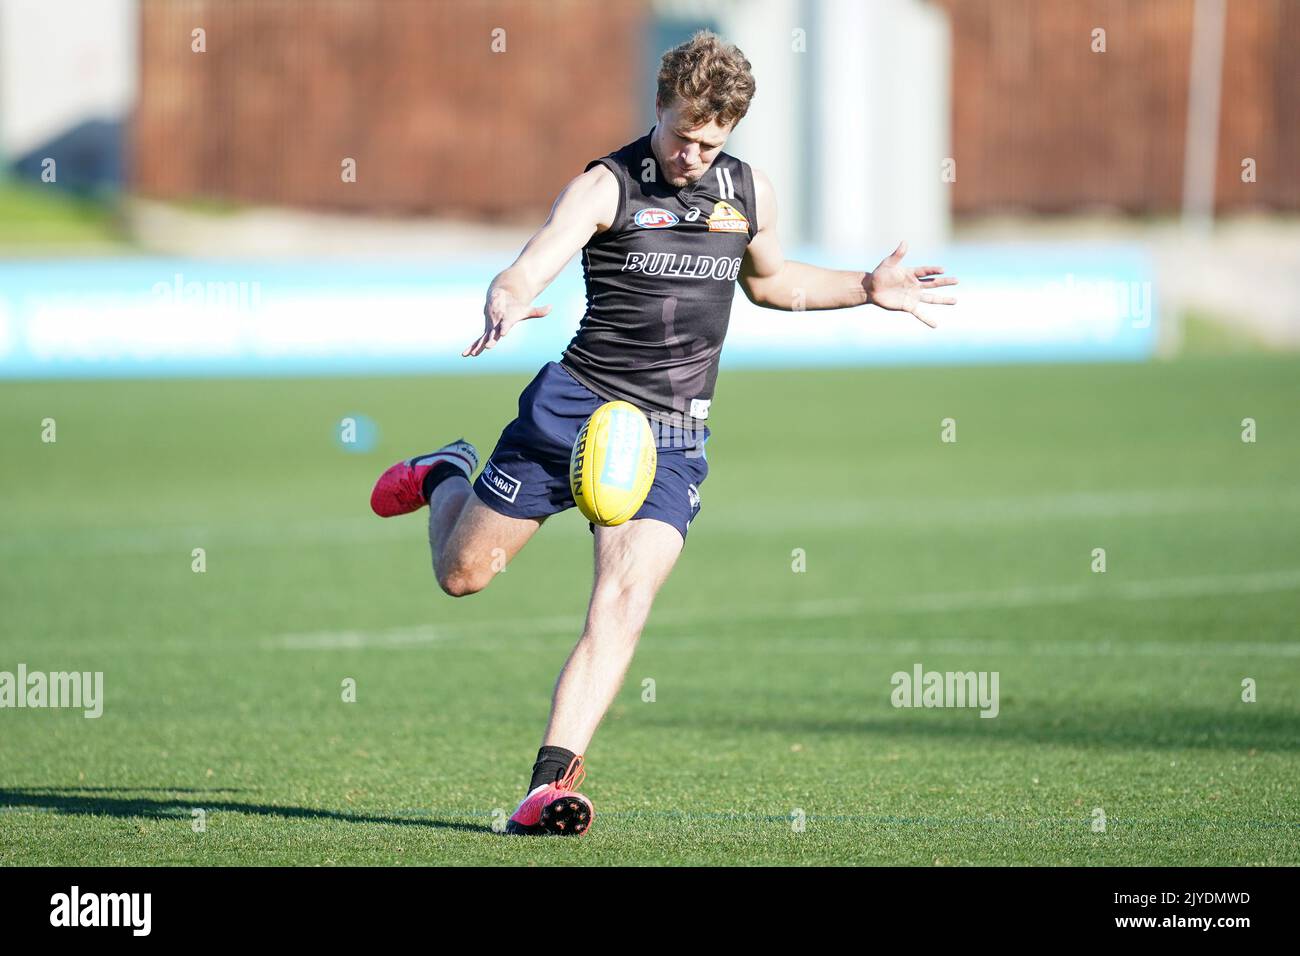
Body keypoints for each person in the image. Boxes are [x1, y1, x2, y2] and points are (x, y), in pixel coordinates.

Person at [369, 30, 958, 836]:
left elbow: (773, 283)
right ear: (659, 107)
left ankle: (544, 788)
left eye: (710, 141)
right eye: (682, 134)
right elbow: (535, 259)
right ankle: (445, 472)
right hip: (572, 409)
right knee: (462, 575)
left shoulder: (747, 191)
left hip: (671, 436)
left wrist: (864, 285)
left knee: (623, 599)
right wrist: (506, 296)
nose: (691, 154)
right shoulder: (605, 186)